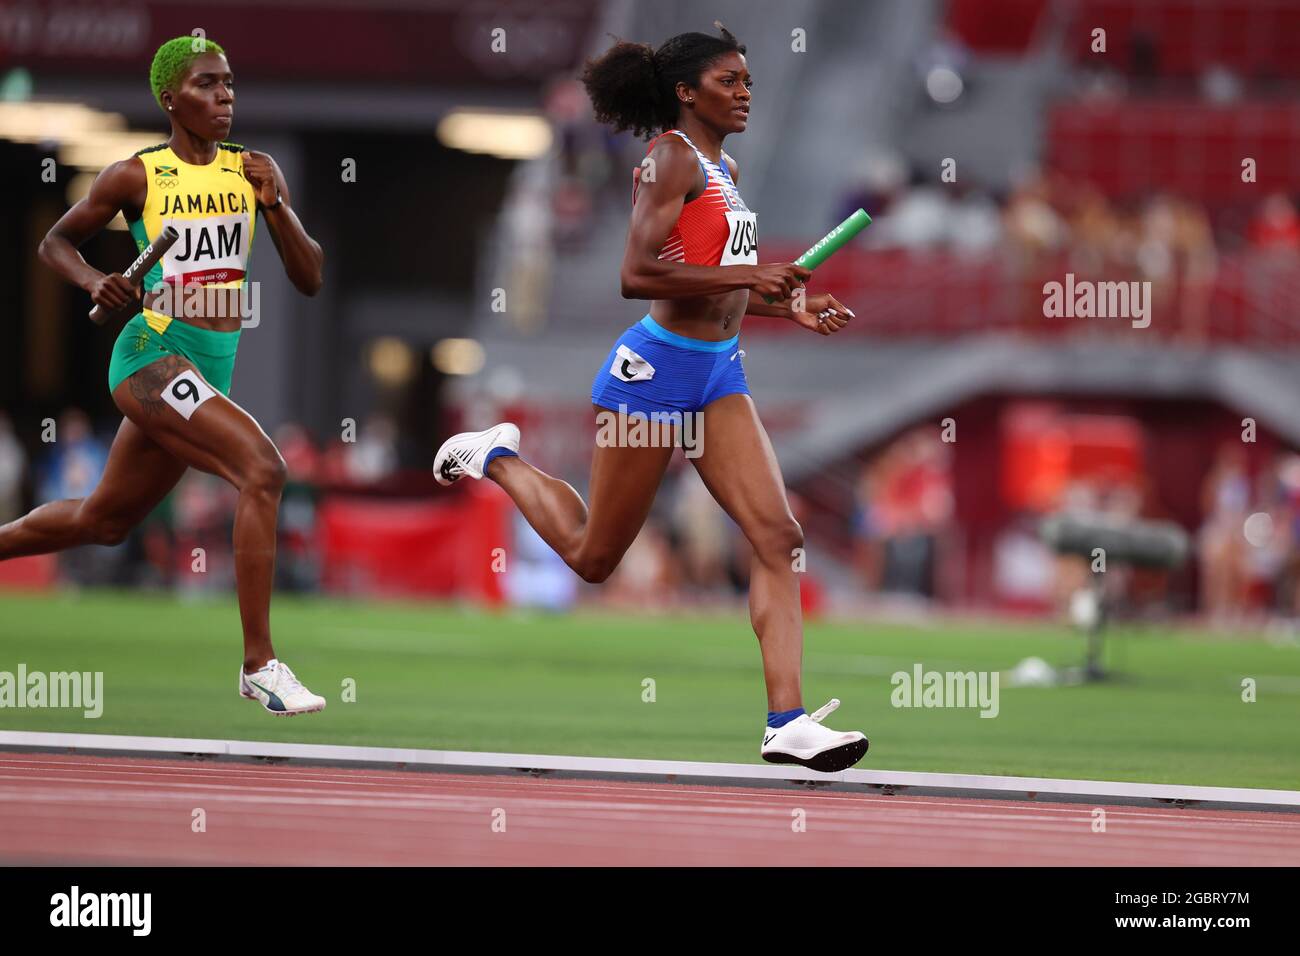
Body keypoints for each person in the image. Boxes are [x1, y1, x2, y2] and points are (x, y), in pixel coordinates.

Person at [434, 24, 867, 771]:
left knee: (778, 538)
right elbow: (636, 275)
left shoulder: (723, 166)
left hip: (718, 372)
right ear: (685, 93)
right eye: (730, 83)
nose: (745, 95)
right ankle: (500, 459)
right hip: (656, 373)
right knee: (595, 557)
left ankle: (787, 721)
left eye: (749, 83)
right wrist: (746, 277)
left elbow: (721, 286)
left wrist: (785, 305)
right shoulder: (671, 160)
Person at [0, 36, 326, 715]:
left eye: (231, 83)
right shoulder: (136, 176)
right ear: (171, 99)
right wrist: (99, 280)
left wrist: (276, 209)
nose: (226, 96)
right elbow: (54, 241)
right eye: (208, 85)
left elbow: (310, 277)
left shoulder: (254, 170)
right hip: (149, 357)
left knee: (104, 520)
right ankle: (259, 664)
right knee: (262, 470)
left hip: (210, 366)